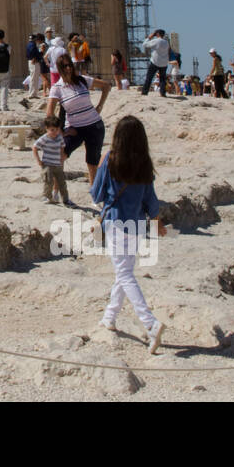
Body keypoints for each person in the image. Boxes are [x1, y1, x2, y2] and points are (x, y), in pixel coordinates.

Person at [91, 115, 166, 354]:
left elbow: (96, 195)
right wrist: (157, 222)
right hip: (136, 225)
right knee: (124, 272)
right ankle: (109, 318)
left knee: (124, 274)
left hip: (115, 223)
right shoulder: (145, 164)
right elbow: (151, 201)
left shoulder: (109, 160)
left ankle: (150, 324)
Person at [46, 53, 110, 186]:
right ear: (59, 68)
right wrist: (59, 132)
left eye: (70, 65)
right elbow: (49, 113)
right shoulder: (57, 88)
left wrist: (100, 106)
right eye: (64, 66)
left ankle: (94, 194)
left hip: (94, 125)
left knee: (92, 162)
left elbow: (106, 86)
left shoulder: (82, 80)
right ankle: (55, 191)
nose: (68, 68)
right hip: (75, 128)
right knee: (60, 155)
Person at [33, 115, 71, 205]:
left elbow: (62, 146)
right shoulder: (44, 138)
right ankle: (46, 196)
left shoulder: (59, 137)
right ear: (47, 129)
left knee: (62, 182)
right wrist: (38, 160)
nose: (55, 132)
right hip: (47, 164)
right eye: (52, 130)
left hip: (57, 164)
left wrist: (62, 158)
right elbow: (34, 147)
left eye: (57, 130)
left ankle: (65, 199)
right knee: (48, 181)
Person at [140, 30, 170, 97]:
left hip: (155, 61)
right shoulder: (166, 42)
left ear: (157, 34)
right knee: (162, 79)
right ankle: (163, 93)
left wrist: (149, 37)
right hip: (164, 62)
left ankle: (145, 92)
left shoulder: (156, 40)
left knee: (149, 77)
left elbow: (144, 45)